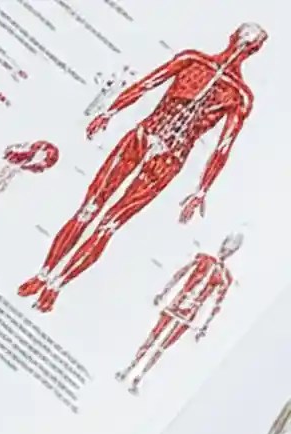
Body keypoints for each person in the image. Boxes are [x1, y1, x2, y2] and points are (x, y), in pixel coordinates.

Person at [19, 24, 266, 314]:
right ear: (232, 37)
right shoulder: (192, 60)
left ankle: (56, 285)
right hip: (142, 137)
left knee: (109, 222)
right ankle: (44, 274)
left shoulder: (240, 95)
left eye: (248, 46)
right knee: (89, 209)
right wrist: (111, 111)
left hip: (170, 157)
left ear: (253, 51)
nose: (240, 48)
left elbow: (223, 144)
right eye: (242, 40)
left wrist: (202, 190)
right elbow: (147, 84)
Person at [115, 233, 240, 395]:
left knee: (162, 346)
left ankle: (139, 377)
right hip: (176, 305)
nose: (225, 252)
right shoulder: (203, 260)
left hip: (188, 315)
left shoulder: (224, 277)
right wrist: (164, 292)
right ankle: (129, 368)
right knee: (153, 337)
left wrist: (205, 326)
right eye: (225, 247)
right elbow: (180, 274)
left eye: (230, 250)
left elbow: (217, 303)